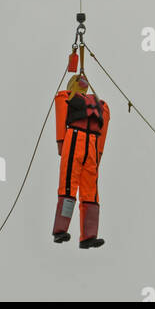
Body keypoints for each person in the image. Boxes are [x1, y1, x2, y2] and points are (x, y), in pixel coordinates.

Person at [53, 72, 110, 248]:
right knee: (68, 186)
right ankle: (60, 230)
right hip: (75, 139)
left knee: (91, 192)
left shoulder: (101, 105)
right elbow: (61, 107)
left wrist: (98, 154)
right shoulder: (65, 97)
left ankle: (88, 236)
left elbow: (104, 124)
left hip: (91, 144)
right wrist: (62, 142)